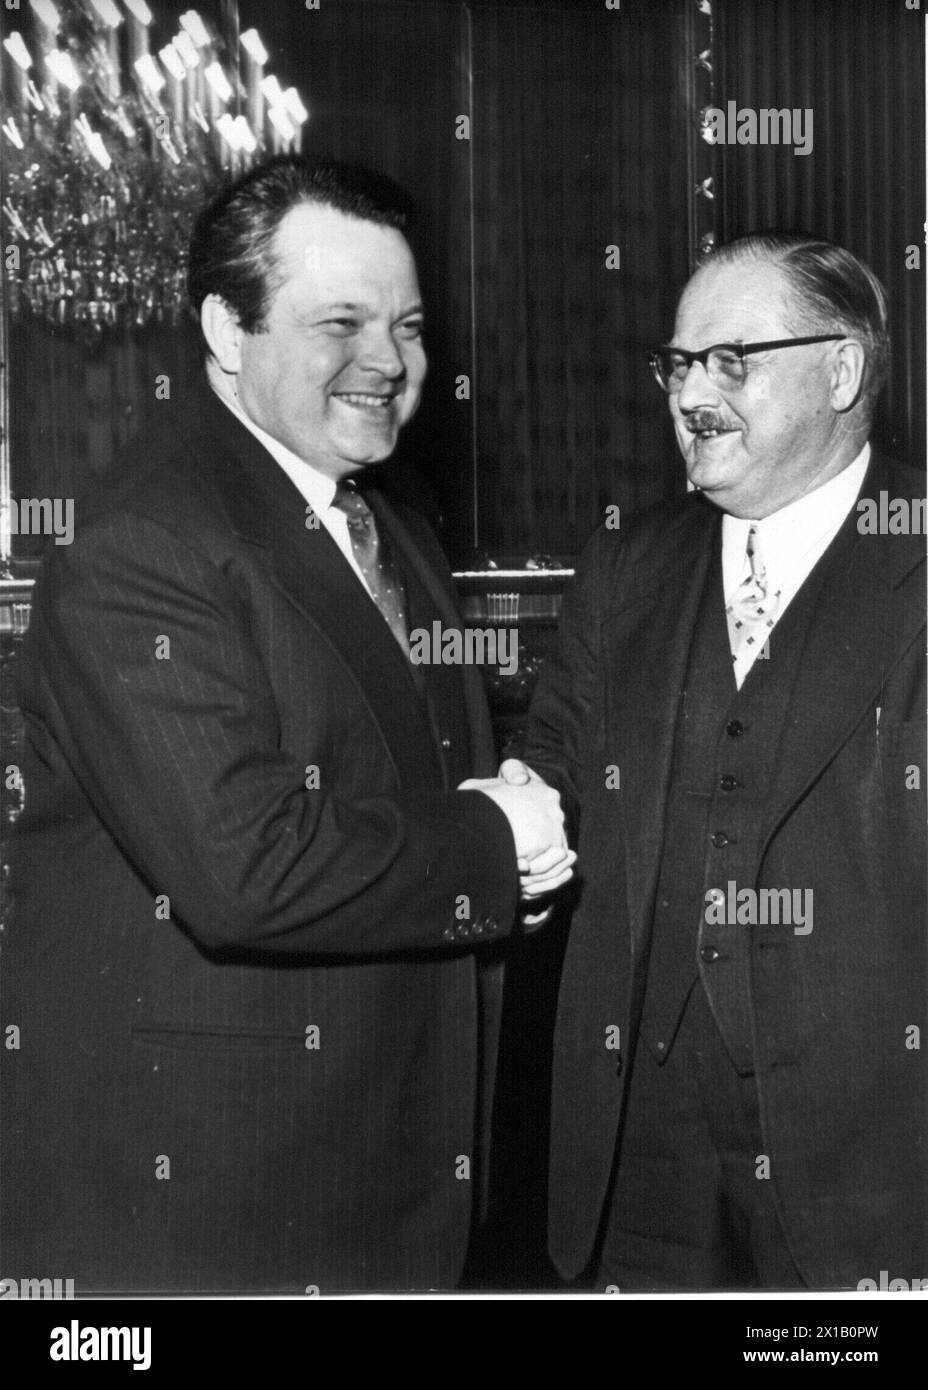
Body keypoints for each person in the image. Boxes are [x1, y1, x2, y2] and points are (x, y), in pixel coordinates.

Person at [0, 156, 572, 1295]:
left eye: (407, 324)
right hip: (209, 1205)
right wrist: (492, 847)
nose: (391, 362)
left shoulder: (379, 513)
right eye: (342, 323)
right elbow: (243, 867)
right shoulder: (146, 542)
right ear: (227, 328)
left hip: (373, 1168)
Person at [510, 232, 926, 1290]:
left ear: (841, 369)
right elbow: (549, 763)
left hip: (874, 1162)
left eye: (731, 361)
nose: (691, 394)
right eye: (678, 364)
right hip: (639, 1146)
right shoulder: (624, 566)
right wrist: (503, 813)